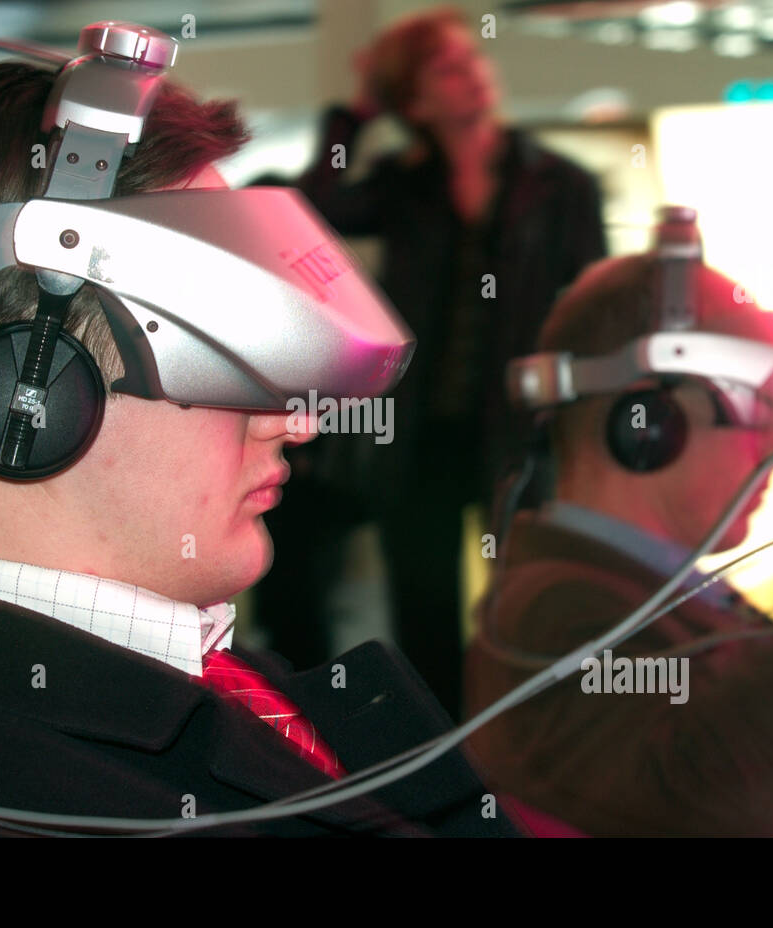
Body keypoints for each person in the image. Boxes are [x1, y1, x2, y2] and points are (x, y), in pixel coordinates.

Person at [0, 60, 521, 837]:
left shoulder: (146, 692)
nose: (293, 422)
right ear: (26, 401)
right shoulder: (38, 805)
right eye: (223, 356)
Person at [261, 6, 607, 718]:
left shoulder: (560, 184)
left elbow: (592, 310)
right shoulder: (402, 185)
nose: (474, 73)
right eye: (448, 68)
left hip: (523, 433)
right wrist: (354, 116)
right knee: (423, 615)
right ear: (415, 102)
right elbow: (306, 211)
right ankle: (442, 757)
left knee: (530, 602)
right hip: (418, 439)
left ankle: (529, 748)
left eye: (470, 60)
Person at [463, 254, 773, 836]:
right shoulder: (550, 615)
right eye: (758, 411)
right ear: (649, 421)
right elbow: (706, 794)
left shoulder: (656, 592)